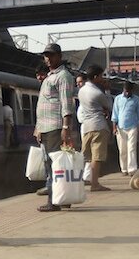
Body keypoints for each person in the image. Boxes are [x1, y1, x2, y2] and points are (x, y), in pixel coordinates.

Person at [34, 43, 75, 212]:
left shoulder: (63, 76)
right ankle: (62, 198)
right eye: (46, 56)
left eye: (51, 55)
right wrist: (38, 128)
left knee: (54, 166)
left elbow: (66, 104)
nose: (48, 59)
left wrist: (66, 127)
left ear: (59, 56)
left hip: (56, 128)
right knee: (53, 165)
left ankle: (54, 201)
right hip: (46, 128)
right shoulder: (49, 77)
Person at [77, 64, 113, 191]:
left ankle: (76, 181)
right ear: (96, 77)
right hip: (98, 125)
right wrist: (107, 90)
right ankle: (94, 184)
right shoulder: (97, 93)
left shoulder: (81, 91)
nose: (102, 79)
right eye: (101, 76)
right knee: (96, 157)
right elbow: (109, 106)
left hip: (86, 127)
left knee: (86, 156)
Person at [111, 81, 139, 176]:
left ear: (132, 91)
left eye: (129, 91)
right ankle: (124, 169)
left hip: (133, 126)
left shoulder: (136, 99)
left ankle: (132, 169)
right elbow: (115, 114)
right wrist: (114, 127)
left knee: (132, 148)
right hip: (120, 128)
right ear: (123, 90)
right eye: (126, 91)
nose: (127, 93)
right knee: (122, 149)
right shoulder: (118, 99)